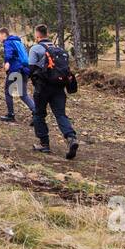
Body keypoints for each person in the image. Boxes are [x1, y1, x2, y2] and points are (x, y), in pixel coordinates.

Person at [27, 25, 79, 158]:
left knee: (39, 114)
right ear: (47, 34)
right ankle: (71, 137)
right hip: (59, 87)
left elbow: (31, 69)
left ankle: (44, 144)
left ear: (38, 36)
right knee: (61, 114)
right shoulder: (60, 49)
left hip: (42, 87)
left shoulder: (36, 48)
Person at [0, 28, 36, 122]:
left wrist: (7, 62)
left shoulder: (8, 42)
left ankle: (11, 114)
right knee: (23, 94)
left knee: (8, 92)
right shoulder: (18, 42)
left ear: (4, 34)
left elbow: (9, 53)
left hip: (15, 70)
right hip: (24, 70)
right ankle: (36, 112)